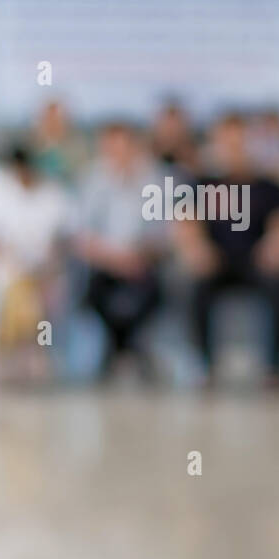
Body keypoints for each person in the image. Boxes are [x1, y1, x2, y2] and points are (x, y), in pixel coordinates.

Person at [172, 113, 279, 386]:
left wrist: (277, 244)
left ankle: (274, 369)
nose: (233, 149)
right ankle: (204, 368)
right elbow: (186, 221)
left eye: (239, 142)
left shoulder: (271, 187)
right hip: (216, 263)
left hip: (258, 261)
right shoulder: (202, 185)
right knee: (193, 283)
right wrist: (195, 248)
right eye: (226, 143)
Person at [0, 144, 72, 381]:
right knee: (5, 289)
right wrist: (7, 258)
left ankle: (35, 355)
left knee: (39, 295)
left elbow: (61, 241)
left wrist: (46, 266)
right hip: (4, 266)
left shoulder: (52, 195)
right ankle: (7, 357)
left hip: (44, 270)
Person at [75, 122, 167, 380]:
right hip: (104, 264)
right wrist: (115, 259)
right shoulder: (92, 180)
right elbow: (81, 235)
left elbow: (164, 232)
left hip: (143, 263)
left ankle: (118, 351)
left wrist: (138, 256)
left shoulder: (155, 180)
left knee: (150, 295)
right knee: (95, 294)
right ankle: (125, 350)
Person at [29, 98, 89, 184]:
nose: (53, 123)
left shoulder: (78, 150)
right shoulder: (32, 149)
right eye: (49, 118)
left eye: (57, 119)